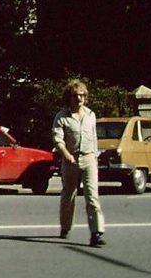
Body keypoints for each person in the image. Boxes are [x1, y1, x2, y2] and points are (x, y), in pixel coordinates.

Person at [52, 79, 105, 247]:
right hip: (71, 160)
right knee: (69, 195)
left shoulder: (90, 115)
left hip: (88, 158)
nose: (79, 99)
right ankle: (66, 227)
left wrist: (95, 157)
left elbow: (94, 137)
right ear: (69, 97)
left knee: (92, 196)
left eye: (82, 95)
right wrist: (66, 154)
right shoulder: (62, 117)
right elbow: (57, 139)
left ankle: (96, 232)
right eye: (76, 96)